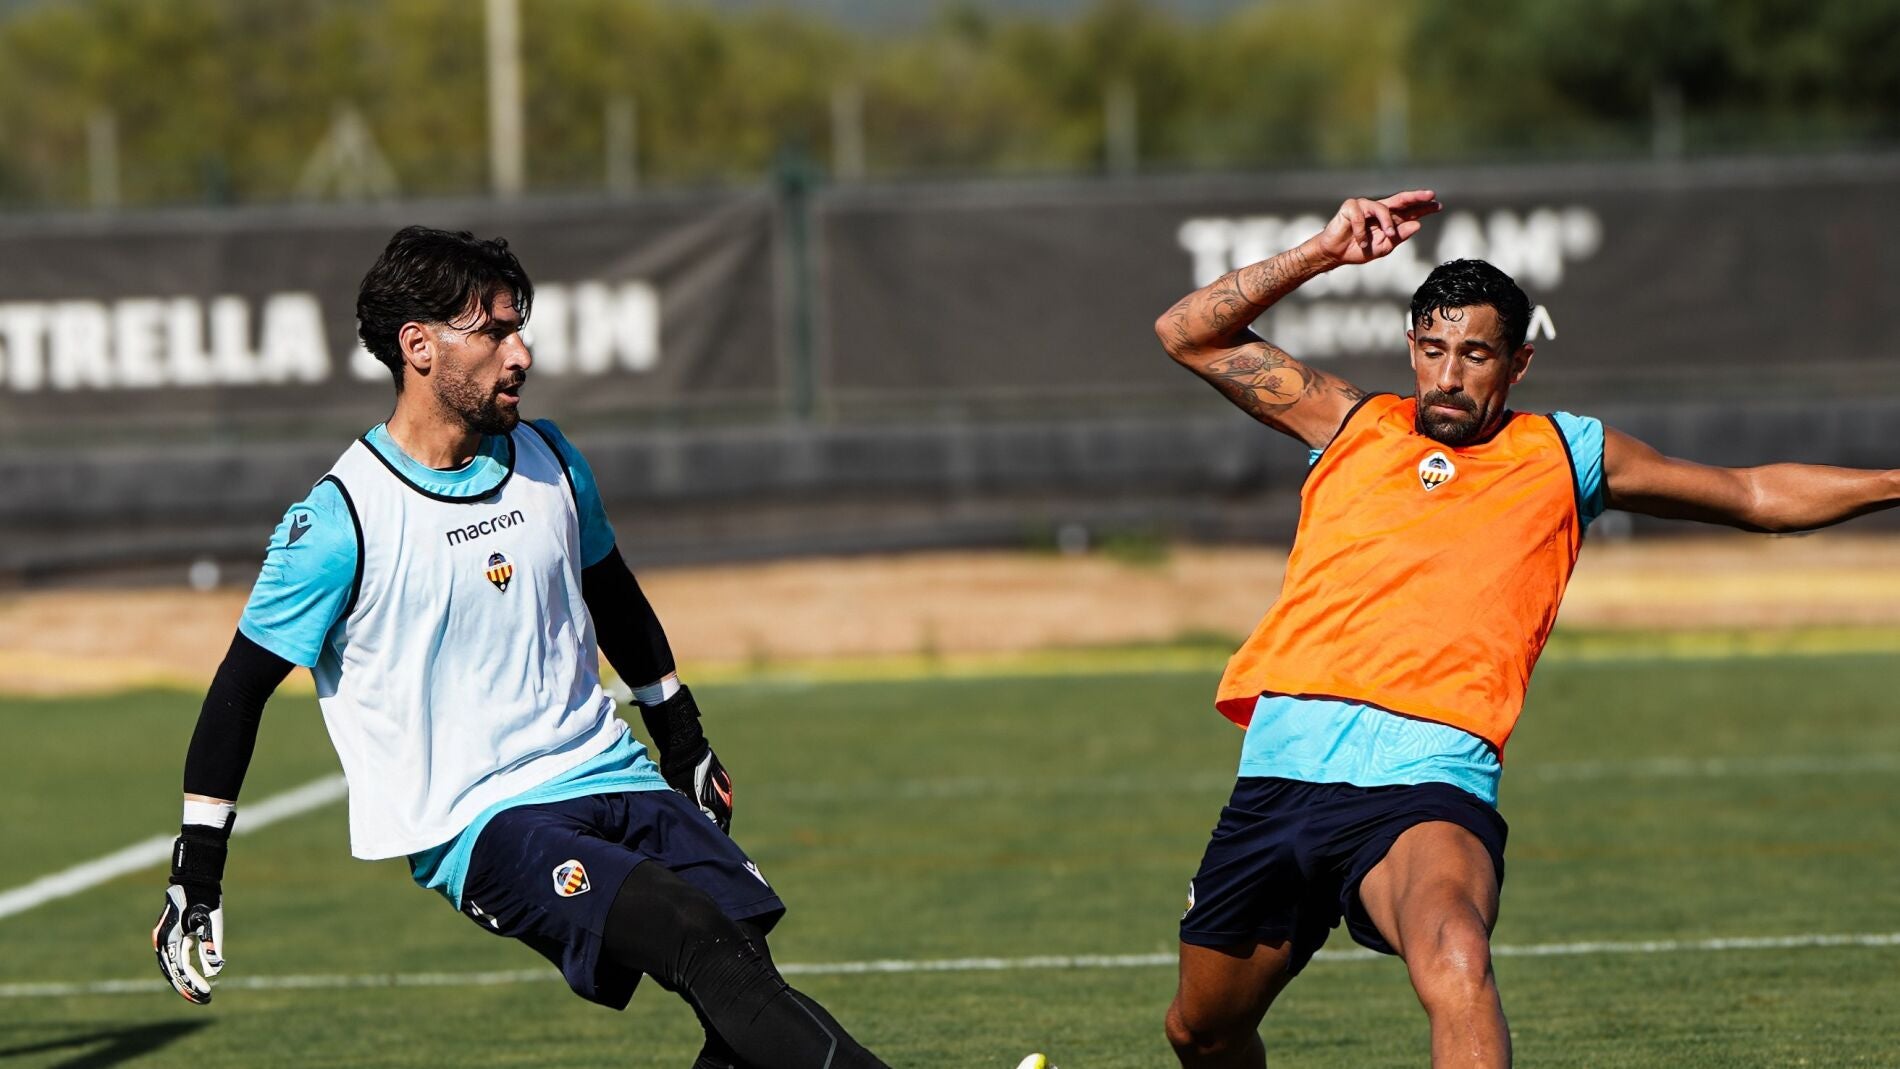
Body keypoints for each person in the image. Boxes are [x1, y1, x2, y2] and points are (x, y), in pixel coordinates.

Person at [1153, 190, 1900, 1069]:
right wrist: (1321, 252)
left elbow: (1750, 494)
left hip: (1426, 782)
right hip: (1282, 773)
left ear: (1518, 363)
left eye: (1475, 354)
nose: (1449, 375)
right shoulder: (1352, 422)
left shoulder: (1564, 451)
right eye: (1432, 350)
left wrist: (1893, 481)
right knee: (1202, 1030)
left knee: (1456, 953)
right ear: (1411, 349)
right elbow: (1187, 333)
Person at [150, 226, 896, 1069]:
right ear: (419, 346)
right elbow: (239, 688)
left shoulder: (550, 460)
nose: (522, 353)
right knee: (692, 933)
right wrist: (197, 872)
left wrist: (681, 737)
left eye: (519, 327)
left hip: (609, 767)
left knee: (742, 964)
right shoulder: (341, 519)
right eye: (496, 331)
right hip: (485, 820)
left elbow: (612, 593)